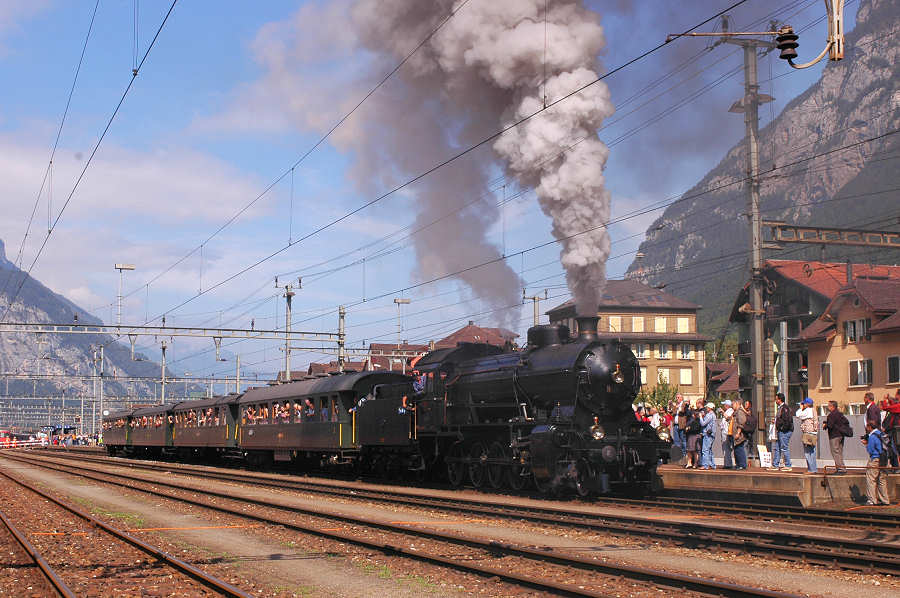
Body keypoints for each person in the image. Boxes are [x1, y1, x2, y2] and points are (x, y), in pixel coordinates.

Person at [862, 422, 890, 505]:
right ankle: (885, 500)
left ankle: (872, 500)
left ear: (870, 427)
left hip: (875, 459)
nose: (866, 429)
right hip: (884, 460)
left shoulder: (872, 436)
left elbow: (870, 450)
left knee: (871, 479)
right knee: (882, 480)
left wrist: (866, 444)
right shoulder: (882, 434)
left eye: (867, 427)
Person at [822, 400, 851, 474]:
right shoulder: (840, 414)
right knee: (839, 452)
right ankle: (841, 468)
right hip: (841, 435)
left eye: (829, 406)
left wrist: (825, 424)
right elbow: (846, 422)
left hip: (834, 435)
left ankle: (840, 469)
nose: (828, 407)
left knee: (835, 452)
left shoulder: (832, 415)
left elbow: (830, 425)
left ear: (832, 406)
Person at [770, 393, 793, 471]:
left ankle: (788, 465)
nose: (775, 400)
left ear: (779, 400)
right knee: (777, 447)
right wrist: (776, 422)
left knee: (784, 447)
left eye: (776, 399)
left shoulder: (784, 408)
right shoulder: (781, 408)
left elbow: (787, 420)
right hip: (780, 431)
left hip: (784, 431)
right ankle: (775, 464)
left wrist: (782, 428)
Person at [796, 397, 818, 474]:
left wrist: (800, 408)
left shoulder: (808, 410)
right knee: (812, 451)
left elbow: (798, 415)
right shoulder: (813, 410)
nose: (803, 404)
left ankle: (811, 469)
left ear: (807, 404)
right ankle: (813, 469)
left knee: (808, 452)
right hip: (813, 433)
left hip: (808, 433)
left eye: (804, 403)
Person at [880, 391, 900, 472]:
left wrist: (885, 400)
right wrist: (889, 399)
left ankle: (897, 467)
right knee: (894, 448)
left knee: (896, 448)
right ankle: (896, 467)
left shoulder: (898, 406)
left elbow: (887, 408)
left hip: (897, 430)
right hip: (895, 430)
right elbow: (893, 406)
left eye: (896, 395)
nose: (895, 397)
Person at [699, 402, 717, 470]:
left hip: (707, 434)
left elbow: (703, 424)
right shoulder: (713, 415)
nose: (706, 408)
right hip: (711, 434)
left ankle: (705, 465)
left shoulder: (709, 415)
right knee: (709, 450)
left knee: (705, 450)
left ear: (710, 408)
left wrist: (701, 417)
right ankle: (712, 464)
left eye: (707, 407)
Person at [732, 400, 748, 470]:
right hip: (735, 434)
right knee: (736, 449)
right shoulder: (735, 412)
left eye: (733, 404)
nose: (732, 406)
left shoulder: (740, 412)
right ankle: (738, 464)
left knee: (739, 449)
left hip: (739, 434)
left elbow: (741, 423)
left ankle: (742, 464)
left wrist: (738, 433)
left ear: (737, 404)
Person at [672, 394, 688, 462]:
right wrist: (672, 406)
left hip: (681, 425)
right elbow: (673, 412)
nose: (677, 398)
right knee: (676, 441)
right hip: (675, 425)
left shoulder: (684, 404)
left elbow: (682, 411)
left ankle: (684, 455)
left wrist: (678, 407)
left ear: (681, 398)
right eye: (676, 397)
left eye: (678, 397)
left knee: (683, 440)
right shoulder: (676, 405)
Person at [720, 399, 734, 469]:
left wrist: (723, 412)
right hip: (724, 431)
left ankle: (728, 464)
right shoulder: (727, 411)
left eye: (724, 405)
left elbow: (728, 418)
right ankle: (727, 463)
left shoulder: (730, 411)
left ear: (727, 405)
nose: (723, 406)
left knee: (727, 448)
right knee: (725, 448)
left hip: (727, 432)